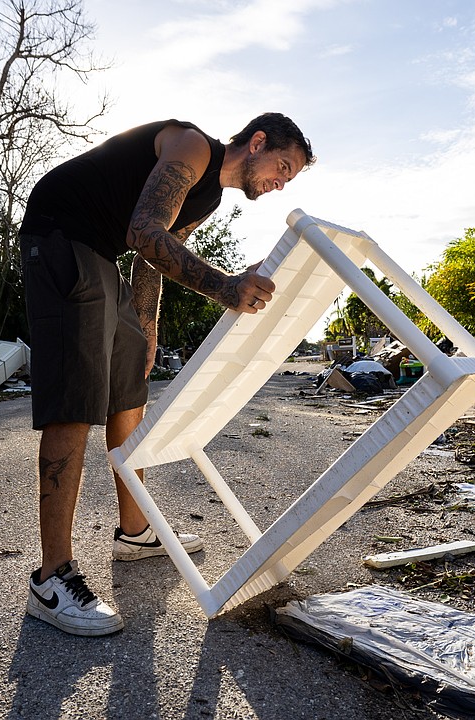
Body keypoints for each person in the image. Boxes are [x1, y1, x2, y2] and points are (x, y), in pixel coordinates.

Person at [18, 113, 315, 636]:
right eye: (283, 167)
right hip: (62, 232)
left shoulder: (208, 197)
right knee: (75, 400)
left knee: (129, 392)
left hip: (102, 253)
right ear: (258, 142)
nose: (280, 183)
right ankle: (51, 577)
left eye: (289, 178)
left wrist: (146, 325)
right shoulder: (192, 146)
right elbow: (144, 232)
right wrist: (225, 286)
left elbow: (153, 256)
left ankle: (135, 532)